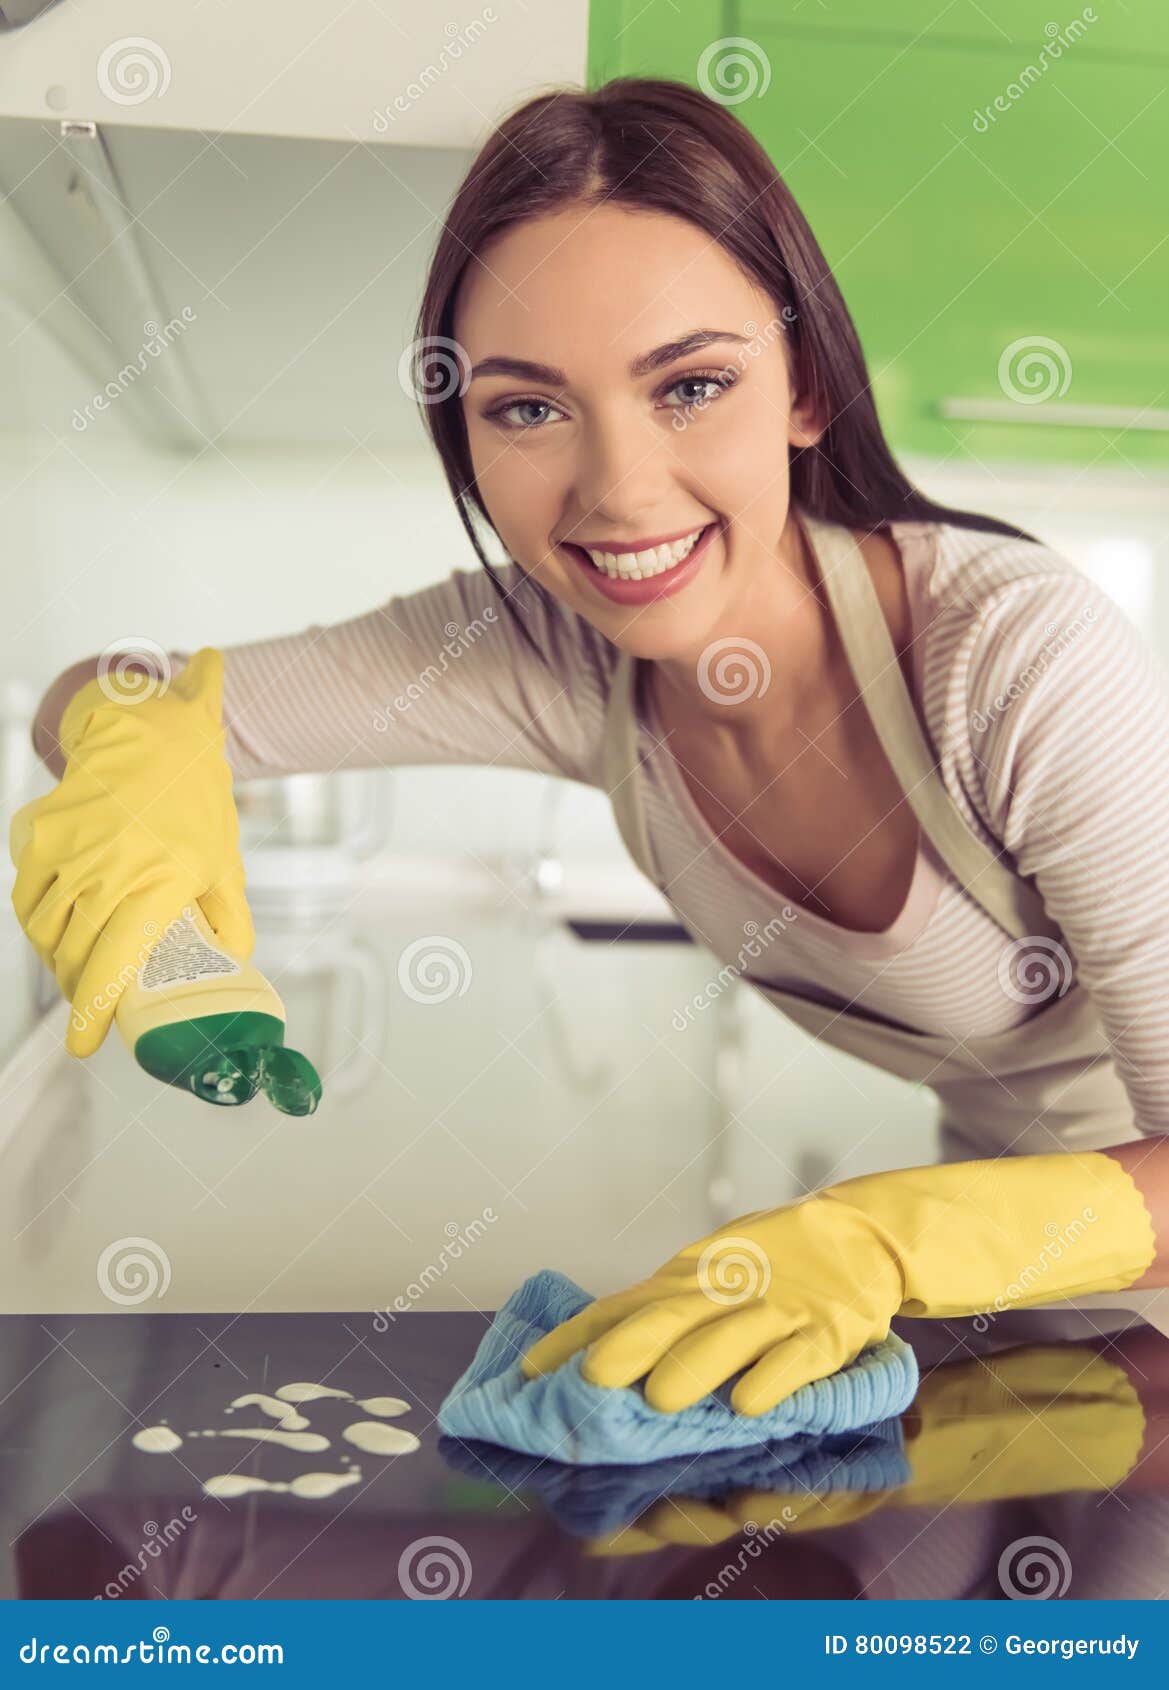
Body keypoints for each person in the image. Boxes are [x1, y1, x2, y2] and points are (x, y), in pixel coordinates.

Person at [17, 77, 1169, 1419]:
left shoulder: (1014, 661)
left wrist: (878, 1238)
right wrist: (126, 753)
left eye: (689, 384)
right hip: (1035, 1328)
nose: (618, 490)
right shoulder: (552, 650)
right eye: (526, 408)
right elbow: (122, 692)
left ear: (802, 388)